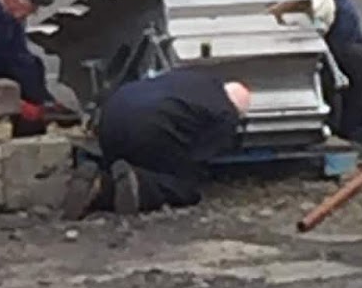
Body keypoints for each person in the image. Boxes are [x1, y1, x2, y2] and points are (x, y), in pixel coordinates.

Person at [63, 68, 252, 218]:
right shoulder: (226, 113)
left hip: (111, 115)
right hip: (151, 126)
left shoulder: (196, 78)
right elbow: (200, 154)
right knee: (183, 187)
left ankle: (98, 177)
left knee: (127, 156)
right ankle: (118, 188)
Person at [270, 0, 362, 143]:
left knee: (351, 69)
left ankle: (348, 134)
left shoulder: (332, 5)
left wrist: (281, 9)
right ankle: (328, 129)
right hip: (336, 51)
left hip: (345, 53)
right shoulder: (321, 2)